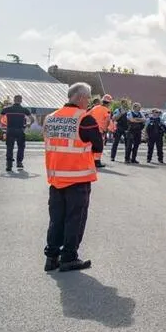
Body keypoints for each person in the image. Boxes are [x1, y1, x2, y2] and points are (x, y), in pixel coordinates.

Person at [42, 82, 104, 272]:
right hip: (77, 177)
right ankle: (69, 257)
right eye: (88, 97)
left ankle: (51, 257)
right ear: (80, 98)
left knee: (56, 219)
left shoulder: (50, 118)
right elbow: (98, 146)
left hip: (55, 178)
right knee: (74, 219)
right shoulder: (84, 119)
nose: (89, 101)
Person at [1, 94, 33, 172]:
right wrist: (28, 124)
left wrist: (4, 124)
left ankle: (9, 165)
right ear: (21, 100)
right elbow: (32, 119)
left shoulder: (7, 109)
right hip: (20, 130)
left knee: (9, 147)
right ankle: (19, 163)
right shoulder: (24, 110)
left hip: (10, 130)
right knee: (21, 147)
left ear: (14, 100)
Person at [87, 95, 113, 169]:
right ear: (109, 103)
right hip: (100, 130)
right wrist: (106, 129)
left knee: (91, 145)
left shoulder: (95, 107)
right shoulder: (106, 110)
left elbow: (87, 116)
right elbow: (108, 120)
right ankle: (97, 162)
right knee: (99, 146)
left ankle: (90, 161)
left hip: (91, 129)